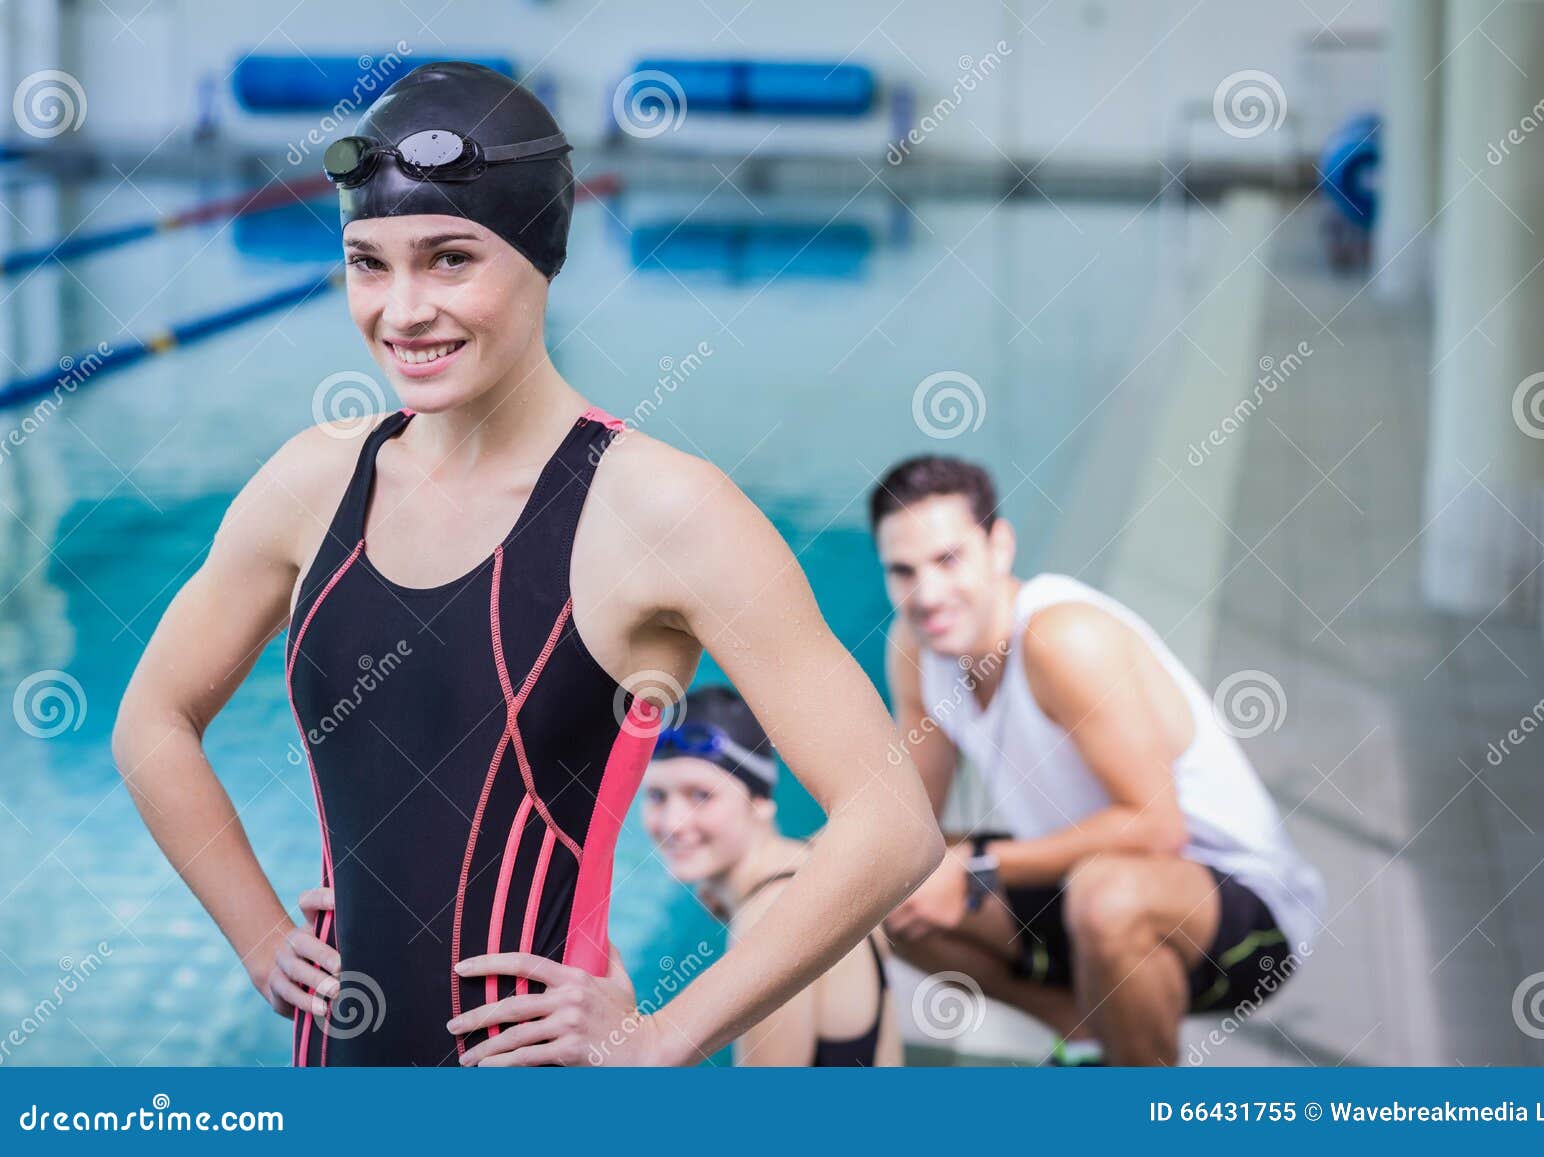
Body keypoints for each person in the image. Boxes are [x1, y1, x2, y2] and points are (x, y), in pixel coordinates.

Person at [110, 62, 942, 1068]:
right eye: (367, 263)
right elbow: (153, 720)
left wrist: (661, 1035)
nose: (402, 310)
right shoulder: (309, 484)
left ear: (540, 258)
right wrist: (258, 936)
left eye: (450, 258)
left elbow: (892, 822)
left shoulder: (661, 508)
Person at [871, 455, 1324, 1066]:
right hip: (1078, 884)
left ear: (999, 546)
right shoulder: (916, 649)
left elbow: (1159, 827)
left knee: (1105, 894)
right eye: (903, 572)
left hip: (1239, 915)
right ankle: (1084, 1039)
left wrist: (976, 868)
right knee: (887, 878)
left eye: (948, 560)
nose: (926, 595)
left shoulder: (1063, 640)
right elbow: (909, 821)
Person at [643, 686, 901, 1066]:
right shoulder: (816, 871)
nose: (672, 823)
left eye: (701, 795)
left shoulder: (767, 919)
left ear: (760, 801)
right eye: (657, 797)